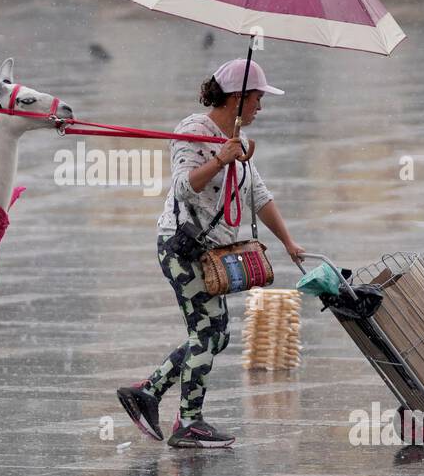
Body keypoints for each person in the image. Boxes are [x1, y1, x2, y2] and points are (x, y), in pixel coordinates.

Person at [116, 59, 306, 449]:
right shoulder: (194, 131)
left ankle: (148, 392)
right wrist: (221, 157)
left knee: (216, 337)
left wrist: (288, 242)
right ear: (236, 98)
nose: (260, 108)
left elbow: (258, 195)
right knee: (206, 332)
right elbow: (186, 187)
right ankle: (189, 422)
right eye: (256, 99)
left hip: (210, 253)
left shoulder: (236, 142)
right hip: (182, 246)